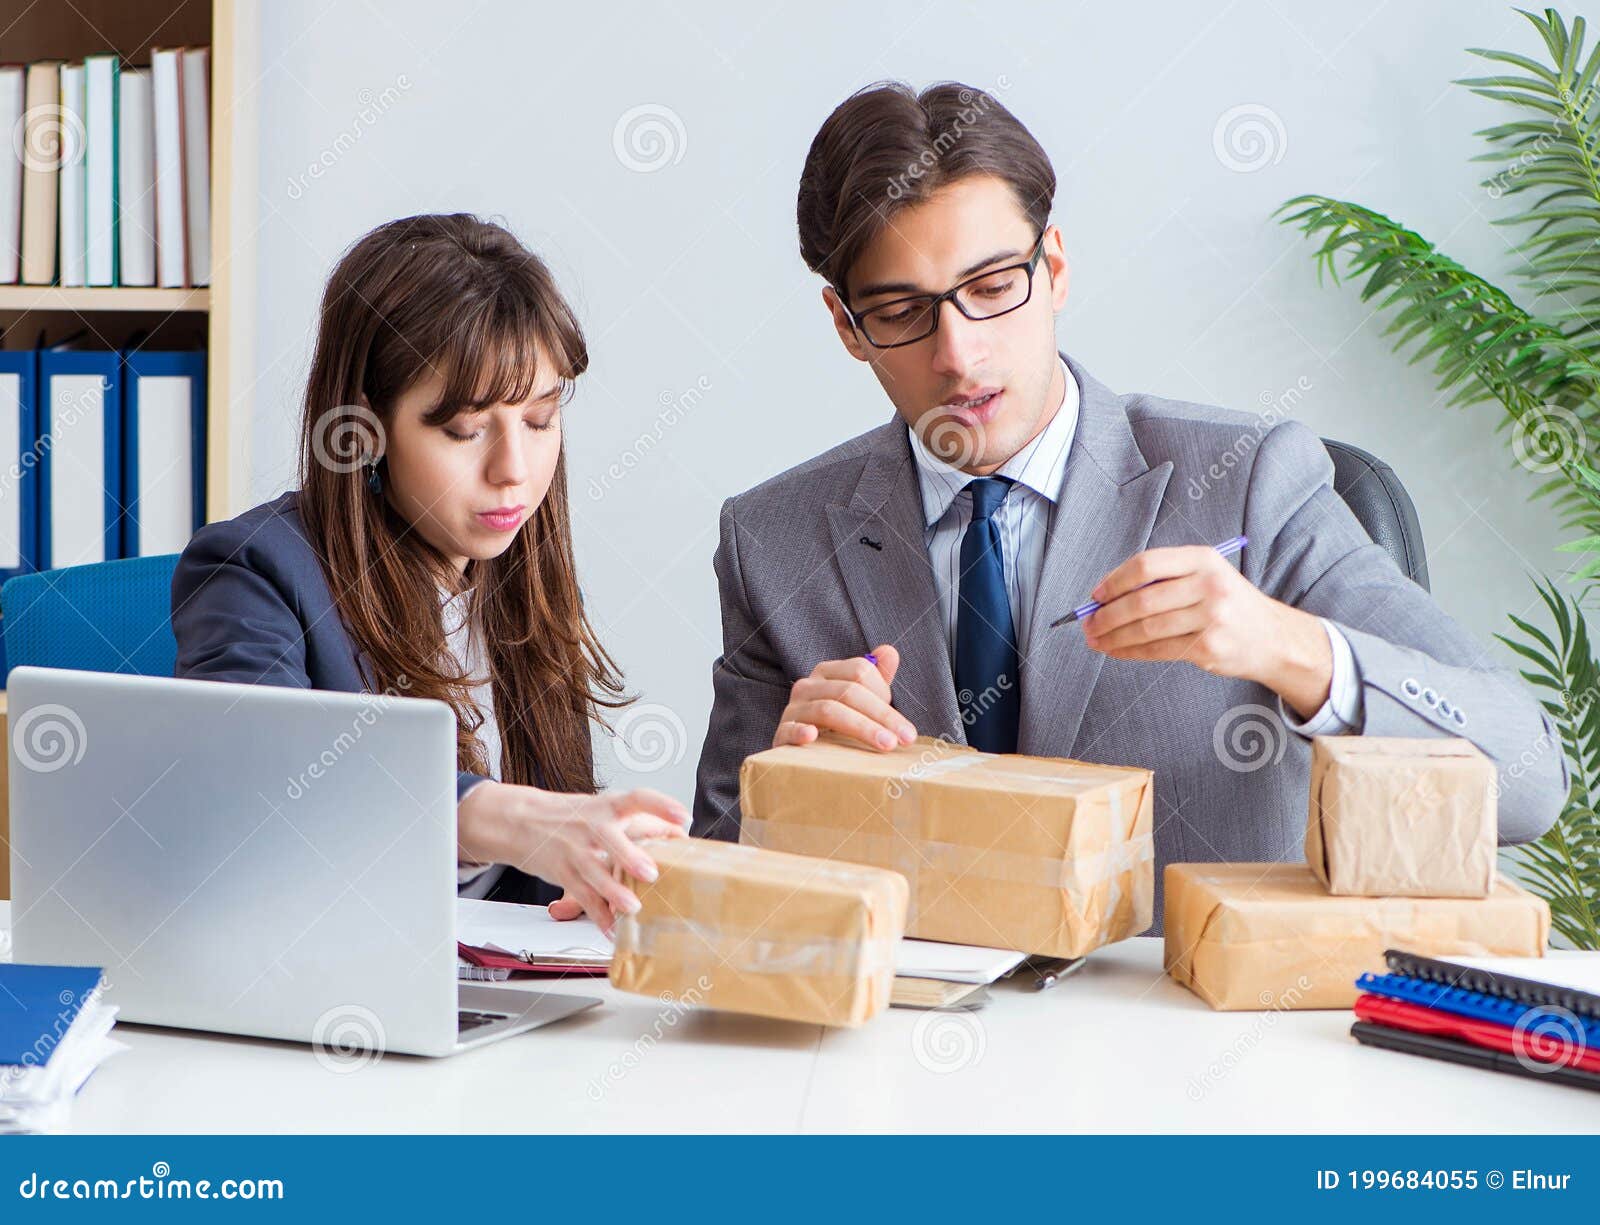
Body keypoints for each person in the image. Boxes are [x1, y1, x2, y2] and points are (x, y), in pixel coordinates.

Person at [691, 81, 1567, 933]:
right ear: (848, 327)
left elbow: (1528, 777)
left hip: (1192, 1038)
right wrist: (786, 784)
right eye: (902, 312)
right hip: (897, 1049)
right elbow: (717, 890)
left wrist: (1290, 646)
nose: (958, 355)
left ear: (1055, 268)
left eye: (994, 287)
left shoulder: (1253, 479)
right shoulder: (773, 539)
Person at [172, 213, 686, 936]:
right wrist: (490, 816)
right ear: (367, 430)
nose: (514, 469)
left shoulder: (510, 569)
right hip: (333, 993)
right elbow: (260, 792)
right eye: (465, 431)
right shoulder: (254, 569)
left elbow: (537, 887)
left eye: (539, 420)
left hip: (508, 995)